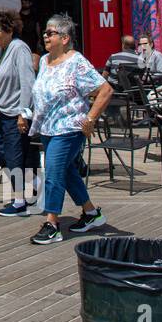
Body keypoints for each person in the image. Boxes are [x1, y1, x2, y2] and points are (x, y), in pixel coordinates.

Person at [20, 15, 113, 245]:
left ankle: (52, 224)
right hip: (48, 128)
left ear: (65, 38)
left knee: (53, 171)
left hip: (69, 128)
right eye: (45, 33)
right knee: (68, 171)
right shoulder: (44, 61)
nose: (45, 36)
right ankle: (92, 214)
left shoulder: (76, 62)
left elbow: (106, 90)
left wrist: (91, 118)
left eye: (50, 33)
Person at [0, 10, 37, 216]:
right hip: (1, 112)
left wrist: (24, 113)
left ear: (9, 30)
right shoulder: (2, 50)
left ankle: (19, 201)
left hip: (15, 114)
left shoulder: (19, 48)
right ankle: (36, 186)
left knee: (14, 158)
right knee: (1, 155)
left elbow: (27, 82)